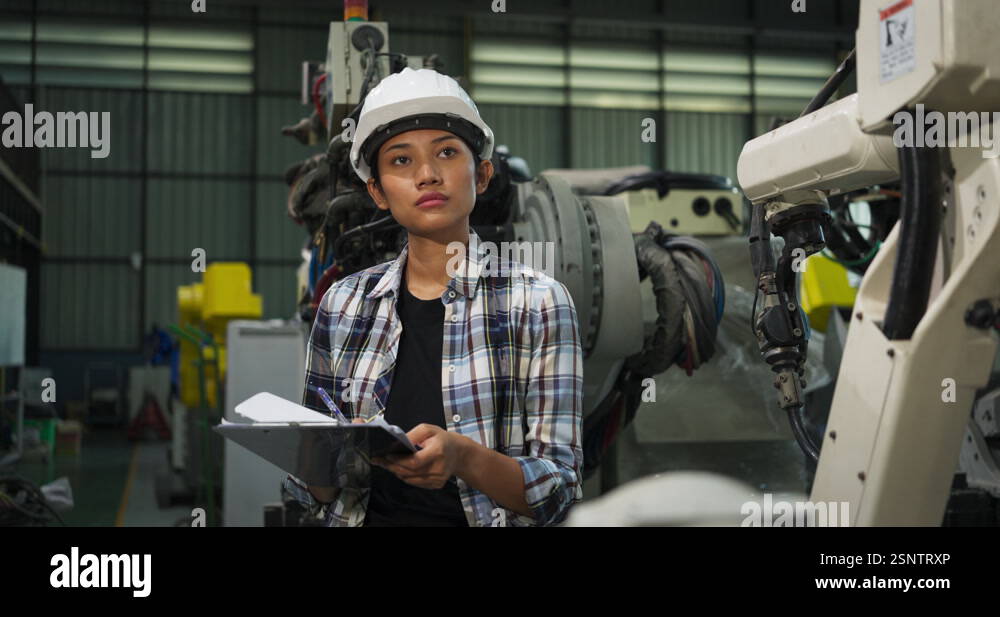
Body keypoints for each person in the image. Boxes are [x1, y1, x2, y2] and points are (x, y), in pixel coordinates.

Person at [282, 68, 583, 527]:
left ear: (482, 175)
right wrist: (331, 461)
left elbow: (559, 489)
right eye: (401, 160)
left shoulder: (538, 303)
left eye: (446, 152)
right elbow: (311, 491)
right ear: (378, 192)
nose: (427, 175)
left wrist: (465, 458)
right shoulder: (343, 305)